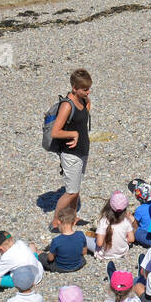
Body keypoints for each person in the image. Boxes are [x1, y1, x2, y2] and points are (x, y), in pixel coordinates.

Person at [47, 69, 92, 232]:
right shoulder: (67, 105)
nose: (88, 91)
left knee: (76, 188)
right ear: (74, 88)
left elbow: (84, 115)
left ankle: (72, 216)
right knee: (71, 192)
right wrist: (73, 133)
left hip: (83, 151)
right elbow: (55, 132)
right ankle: (55, 221)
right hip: (70, 154)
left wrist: (87, 100)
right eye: (85, 89)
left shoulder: (83, 100)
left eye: (89, 88)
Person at [94, 190, 137, 260]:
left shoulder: (104, 221)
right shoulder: (126, 221)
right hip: (122, 252)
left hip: (105, 254)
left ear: (109, 207)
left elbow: (99, 243)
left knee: (87, 239)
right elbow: (132, 239)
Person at [129, 179, 151, 247]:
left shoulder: (139, 210)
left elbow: (135, 224)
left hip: (148, 236)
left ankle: (135, 239)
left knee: (136, 230)